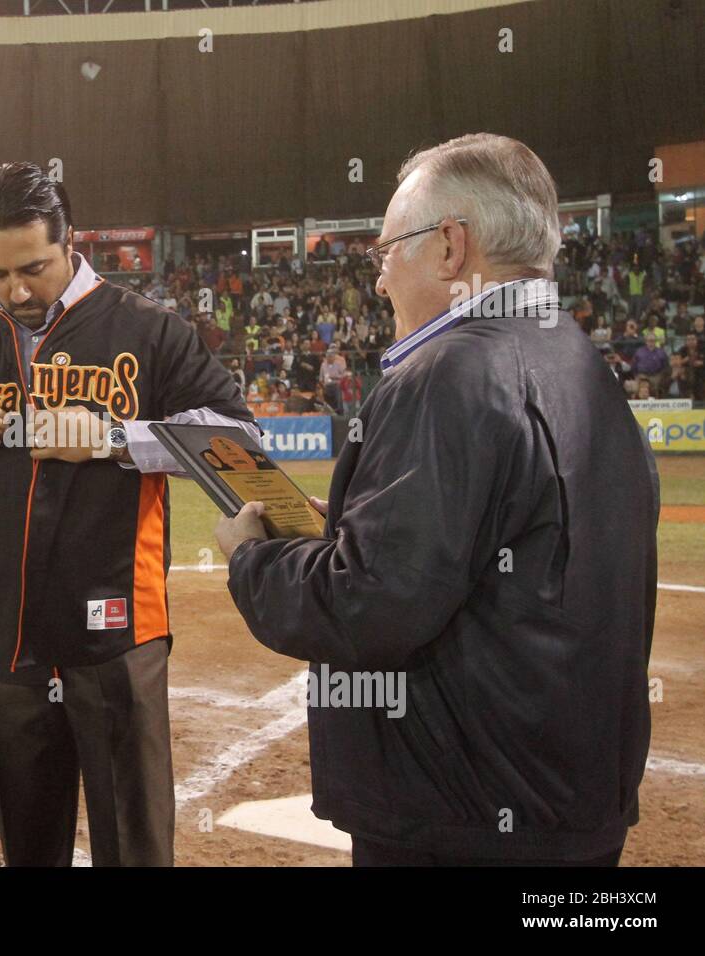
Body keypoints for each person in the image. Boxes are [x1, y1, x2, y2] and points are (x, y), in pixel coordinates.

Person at [217, 133, 657, 866]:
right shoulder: (580, 359)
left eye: (387, 252)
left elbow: (376, 604)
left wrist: (255, 559)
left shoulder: (449, 370)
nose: (381, 281)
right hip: (564, 800)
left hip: (459, 811)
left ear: (451, 247)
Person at [0, 163, 256, 866]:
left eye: (33, 269)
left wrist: (113, 439)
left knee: (133, 849)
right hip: (4, 645)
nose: (15, 290)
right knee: (29, 850)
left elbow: (240, 443)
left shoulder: (149, 330)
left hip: (118, 638)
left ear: (72, 242)